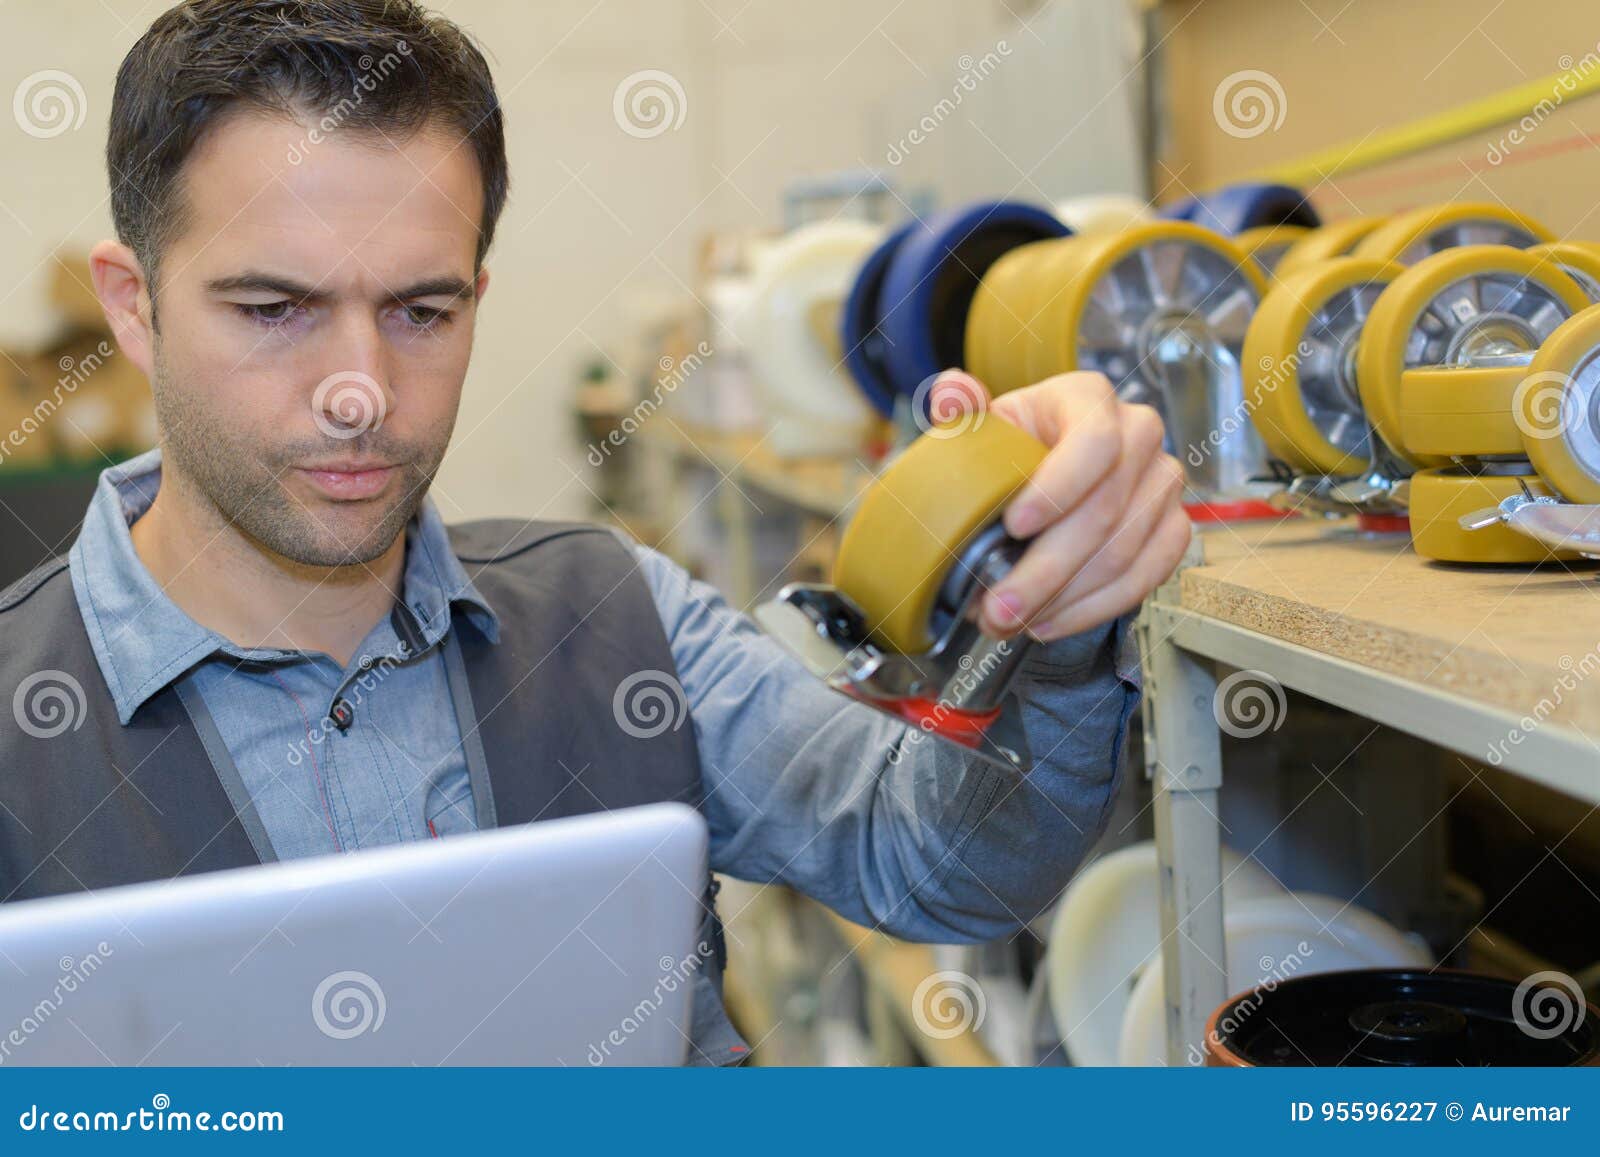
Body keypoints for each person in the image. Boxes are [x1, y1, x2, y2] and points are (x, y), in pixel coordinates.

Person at [0, 0, 1189, 1065]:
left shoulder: (619, 622)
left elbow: (940, 860)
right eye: (274, 309)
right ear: (135, 308)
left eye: (421, 311)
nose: (361, 391)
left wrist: (1052, 604)